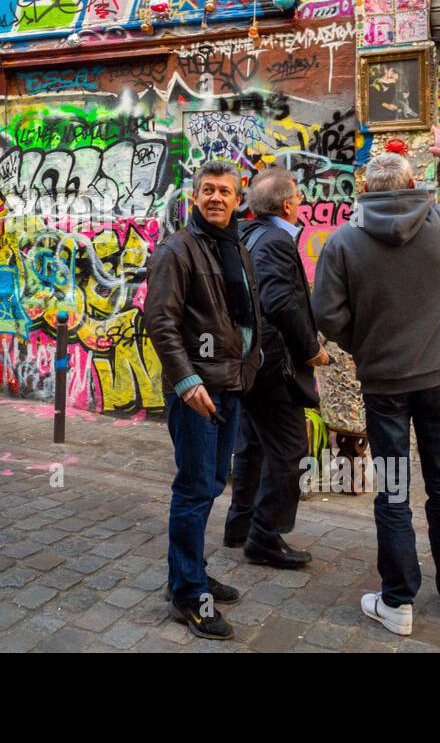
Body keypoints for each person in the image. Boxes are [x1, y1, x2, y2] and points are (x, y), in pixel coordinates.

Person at [311, 126, 440, 637]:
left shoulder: (344, 240)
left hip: (384, 384)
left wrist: (364, 343)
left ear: (363, 191)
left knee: (392, 491)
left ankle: (398, 601)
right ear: (415, 183)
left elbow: (326, 312)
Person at [144, 160, 262, 641]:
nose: (216, 198)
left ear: (239, 200)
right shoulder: (179, 249)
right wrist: (186, 381)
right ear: (195, 198)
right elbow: (160, 321)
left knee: (212, 483)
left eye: (225, 192)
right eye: (208, 190)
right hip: (198, 390)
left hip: (231, 384)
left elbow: (248, 311)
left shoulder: (235, 243)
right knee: (194, 488)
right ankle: (189, 594)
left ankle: (189, 570)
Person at [224, 167, 328, 569]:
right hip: (271, 366)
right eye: (299, 198)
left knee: (251, 443)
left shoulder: (249, 233)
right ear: (287, 205)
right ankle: (265, 537)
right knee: (290, 450)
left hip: (252, 362)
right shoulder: (273, 241)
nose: (302, 203)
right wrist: (310, 350)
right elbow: (279, 302)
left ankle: (240, 525)